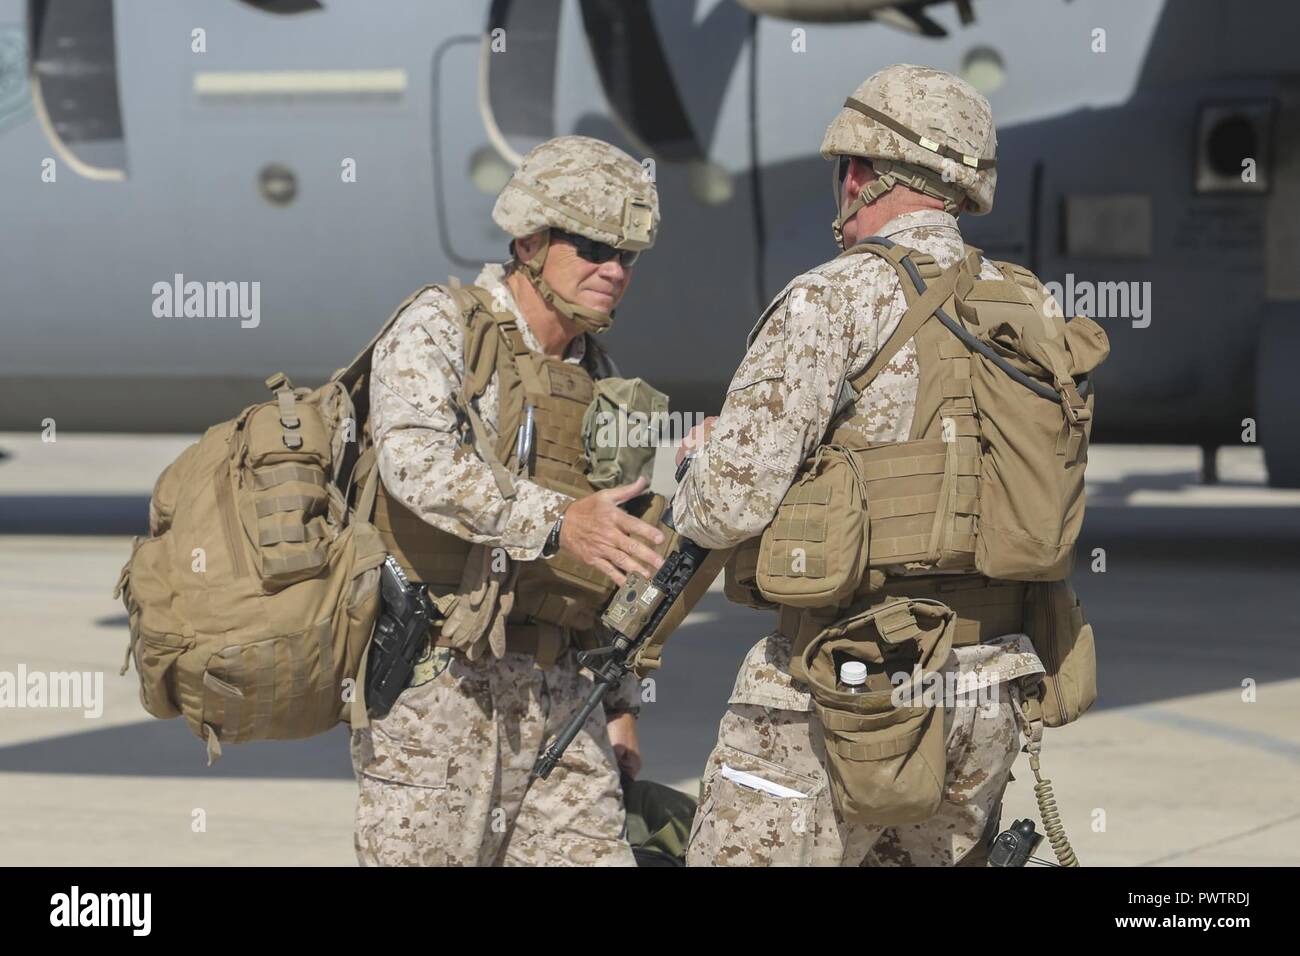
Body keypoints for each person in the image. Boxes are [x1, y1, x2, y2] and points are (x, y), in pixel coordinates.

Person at [675, 64, 1064, 866]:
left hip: (841, 685)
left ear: (859, 174)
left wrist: (701, 460)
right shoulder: (1029, 309)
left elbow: (728, 510)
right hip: (984, 688)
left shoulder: (832, 299)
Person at [351, 134, 666, 866]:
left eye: (628, 256)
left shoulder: (600, 376)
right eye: (592, 246)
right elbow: (417, 462)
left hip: (562, 693)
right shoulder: (443, 325)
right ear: (530, 240)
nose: (613, 270)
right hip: (440, 689)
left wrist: (620, 706)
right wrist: (555, 521)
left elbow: (612, 558)